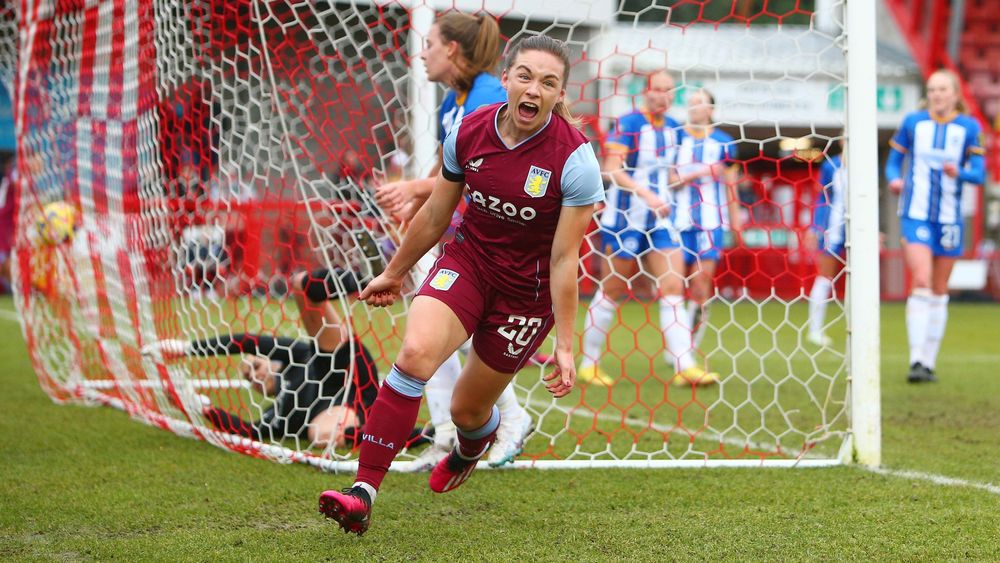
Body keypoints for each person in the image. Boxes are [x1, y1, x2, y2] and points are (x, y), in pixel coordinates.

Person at [318, 35, 604, 535]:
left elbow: (564, 258)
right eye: (525, 75)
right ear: (507, 79)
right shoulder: (470, 131)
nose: (534, 88)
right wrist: (394, 271)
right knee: (415, 355)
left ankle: (475, 441)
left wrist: (564, 343)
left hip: (527, 297)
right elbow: (435, 214)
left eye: (548, 82)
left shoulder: (575, 160)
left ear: (560, 95)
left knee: (467, 410)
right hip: (468, 264)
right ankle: (362, 492)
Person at [374, 12, 533, 470]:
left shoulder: (487, 95)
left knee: (461, 329)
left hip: (494, 239)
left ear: (452, 50)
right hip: (461, 234)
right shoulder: (453, 101)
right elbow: (448, 163)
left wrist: (414, 191)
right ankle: (446, 430)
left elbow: (482, 164)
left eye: (428, 43)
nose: (420, 52)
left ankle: (511, 418)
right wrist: (416, 198)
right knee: (429, 324)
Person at [578, 70, 719, 388]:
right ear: (645, 92)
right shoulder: (628, 124)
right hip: (625, 218)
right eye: (658, 90)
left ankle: (685, 364)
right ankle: (589, 363)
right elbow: (611, 170)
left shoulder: (674, 129)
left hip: (661, 220)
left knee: (672, 286)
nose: (664, 96)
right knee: (612, 290)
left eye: (670, 91)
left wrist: (693, 177)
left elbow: (668, 175)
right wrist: (646, 194)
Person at [143, 268, 379, 447]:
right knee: (320, 435)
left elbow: (246, 341)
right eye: (249, 377)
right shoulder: (276, 413)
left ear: (269, 360)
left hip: (349, 369)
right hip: (353, 404)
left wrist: (187, 348)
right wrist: (198, 405)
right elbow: (247, 431)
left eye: (255, 365)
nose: (255, 375)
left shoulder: (295, 356)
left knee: (300, 285)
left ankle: (367, 280)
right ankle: (386, 432)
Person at [885, 68, 985, 383]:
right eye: (932, 89)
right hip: (915, 213)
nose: (936, 95)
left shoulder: (969, 128)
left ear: (955, 94)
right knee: (922, 280)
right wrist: (894, 179)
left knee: (940, 290)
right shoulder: (913, 123)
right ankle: (915, 359)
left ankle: (928, 362)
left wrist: (960, 172)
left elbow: (979, 174)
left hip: (949, 217)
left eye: (942, 89)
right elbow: (891, 162)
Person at [672, 88, 741, 352]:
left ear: (711, 109)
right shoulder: (676, 138)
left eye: (699, 103)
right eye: (690, 104)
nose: (693, 108)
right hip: (678, 222)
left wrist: (736, 223)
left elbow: (731, 185)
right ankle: (675, 345)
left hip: (712, 223)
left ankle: (689, 347)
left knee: (700, 285)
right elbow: (668, 180)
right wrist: (700, 172)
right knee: (674, 285)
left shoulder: (724, 142)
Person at [804, 148, 847, 348]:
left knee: (862, 277)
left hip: (859, 229)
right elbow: (822, 197)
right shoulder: (831, 165)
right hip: (833, 226)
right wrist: (814, 227)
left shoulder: (866, 164)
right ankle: (815, 330)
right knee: (825, 276)